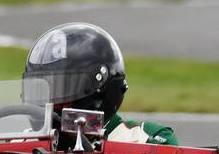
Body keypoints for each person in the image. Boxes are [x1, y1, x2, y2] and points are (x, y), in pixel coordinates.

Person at [22, 22, 178, 145]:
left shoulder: (144, 139)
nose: (50, 102)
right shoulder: (21, 142)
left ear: (101, 88)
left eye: (61, 89)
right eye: (41, 89)